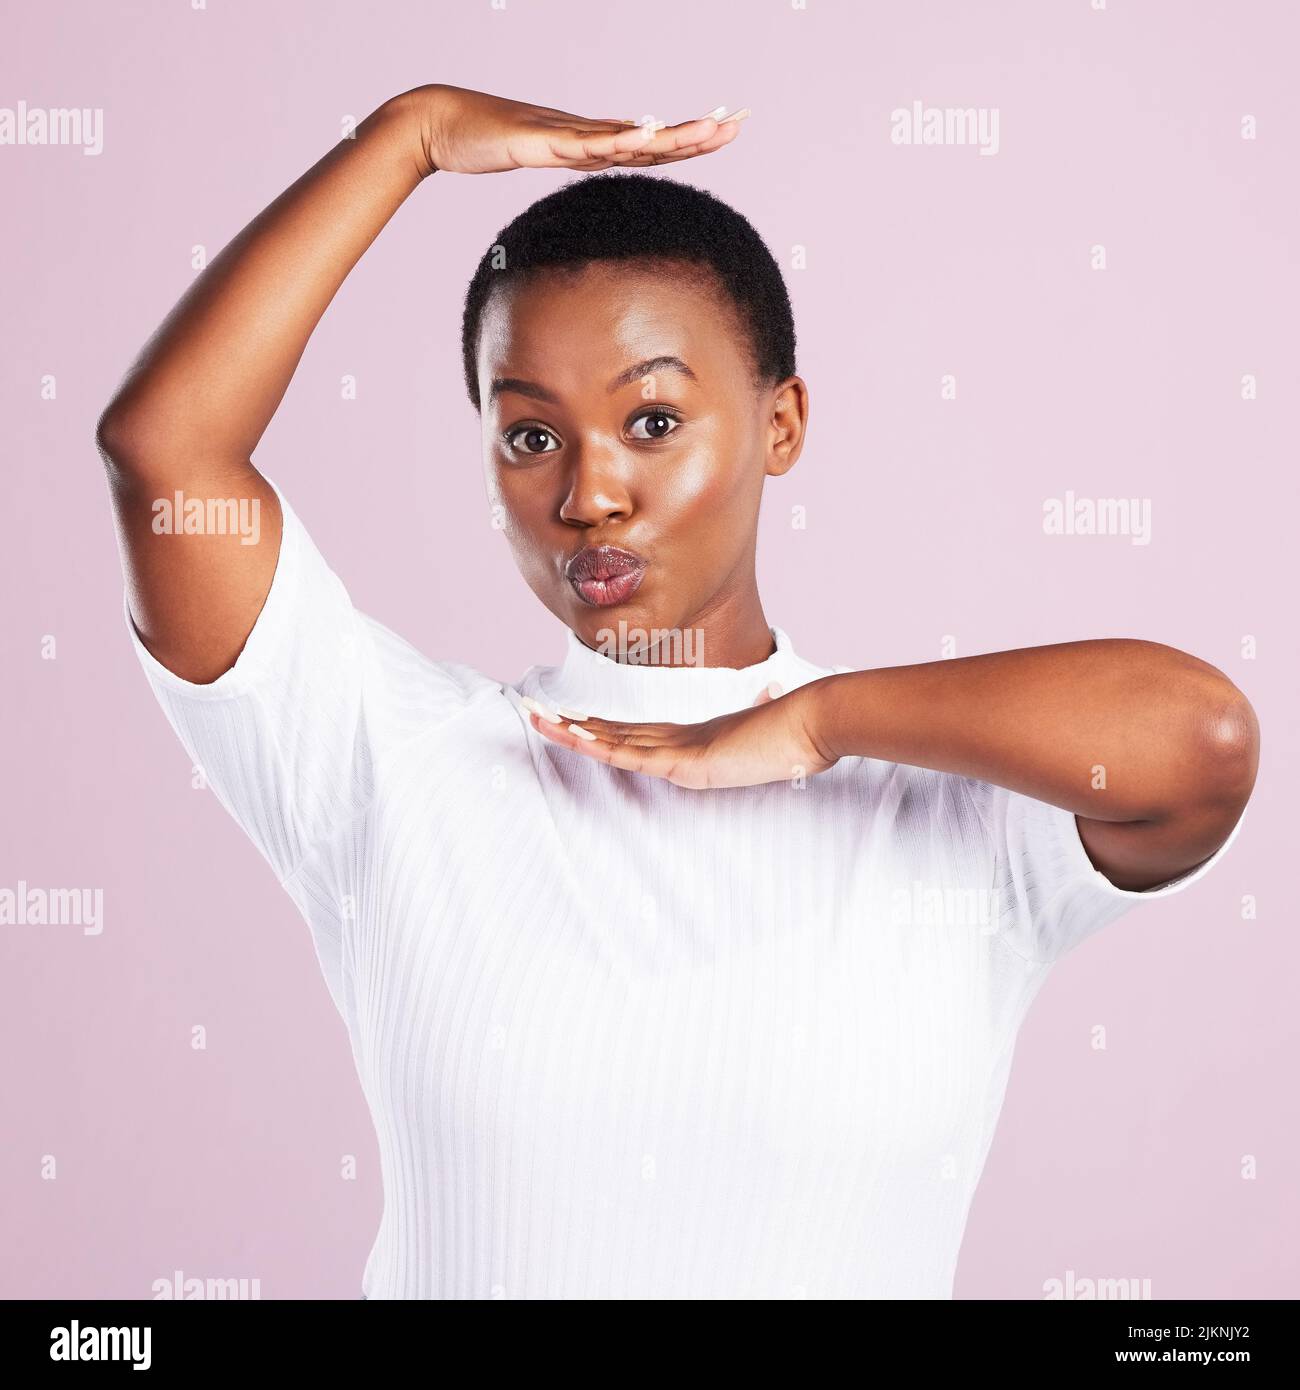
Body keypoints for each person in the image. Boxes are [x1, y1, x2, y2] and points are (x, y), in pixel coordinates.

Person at [95, 84, 1259, 1300]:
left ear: (781, 423)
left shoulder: (946, 809)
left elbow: (1200, 739)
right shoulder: (390, 760)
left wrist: (814, 723)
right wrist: (413, 137)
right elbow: (166, 450)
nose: (590, 494)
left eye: (652, 419)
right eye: (531, 436)